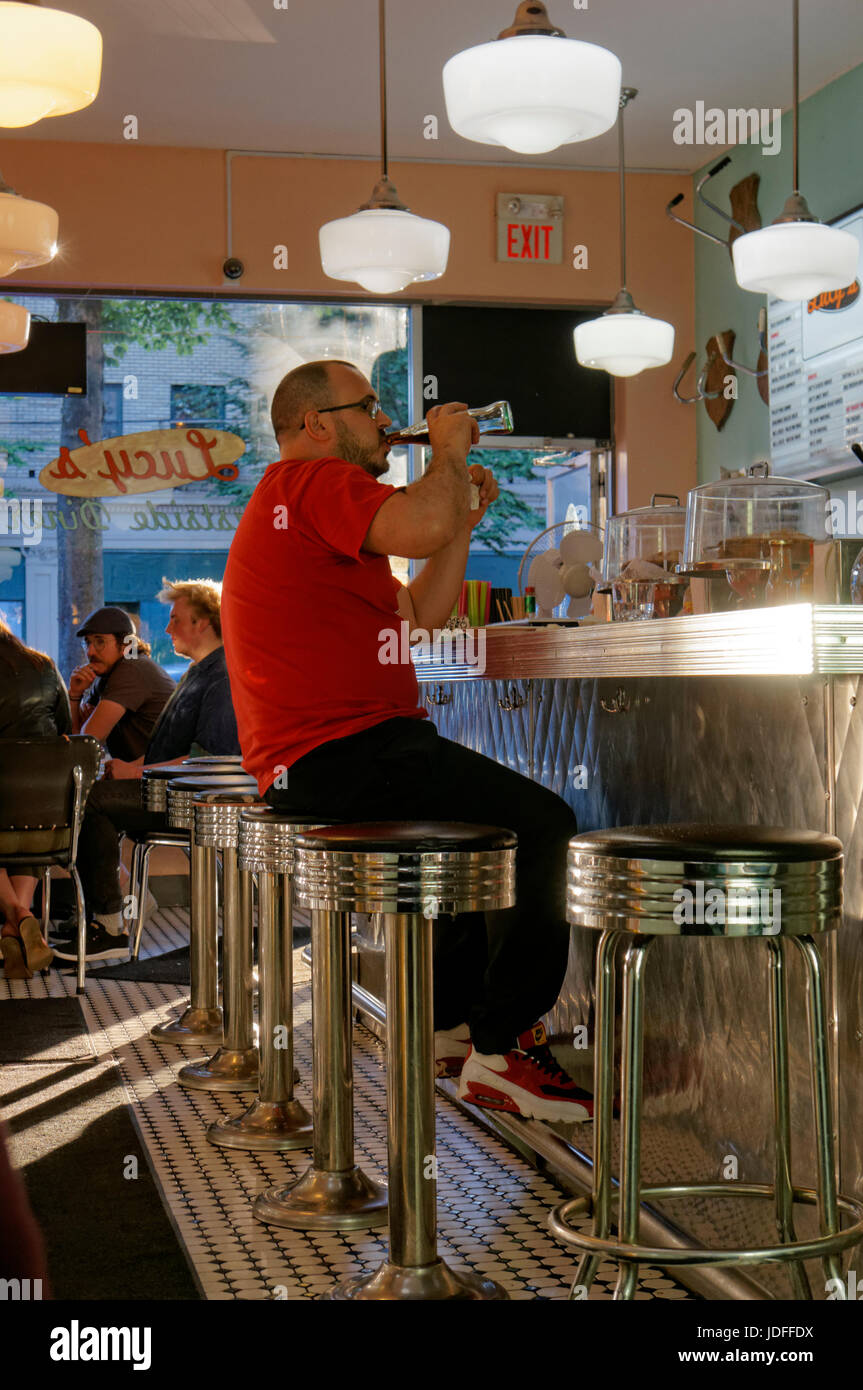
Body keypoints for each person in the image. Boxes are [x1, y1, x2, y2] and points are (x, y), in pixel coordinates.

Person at [221, 359, 591, 1123]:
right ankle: (507, 1048)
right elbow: (418, 521)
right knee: (542, 823)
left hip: (320, 760)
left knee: (464, 836)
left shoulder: (306, 511)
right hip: (343, 749)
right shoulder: (314, 482)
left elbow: (421, 611)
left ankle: (452, 1029)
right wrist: (447, 454)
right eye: (368, 407)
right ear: (318, 425)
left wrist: (462, 520)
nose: (386, 419)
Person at [52, 580, 241, 964]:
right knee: (90, 799)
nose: (167, 629)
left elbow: (206, 759)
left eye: (175, 619)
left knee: (92, 803)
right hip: (176, 789)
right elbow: (88, 739)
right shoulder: (198, 671)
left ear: (201, 622)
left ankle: (108, 925)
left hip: (197, 798)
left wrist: (136, 771)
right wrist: (134, 768)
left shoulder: (217, 675)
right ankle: (110, 911)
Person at [0, 620, 70, 979]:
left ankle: (18, 916)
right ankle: (21, 928)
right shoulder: (43, 665)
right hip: (45, 820)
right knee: (21, 820)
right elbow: (65, 732)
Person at [68, 605, 175, 758]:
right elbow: (77, 743)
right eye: (87, 642)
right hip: (143, 774)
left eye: (100, 642)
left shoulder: (132, 668)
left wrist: (88, 728)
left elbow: (85, 743)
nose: (90, 652)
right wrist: (75, 694)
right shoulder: (105, 676)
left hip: (163, 777)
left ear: (126, 645)